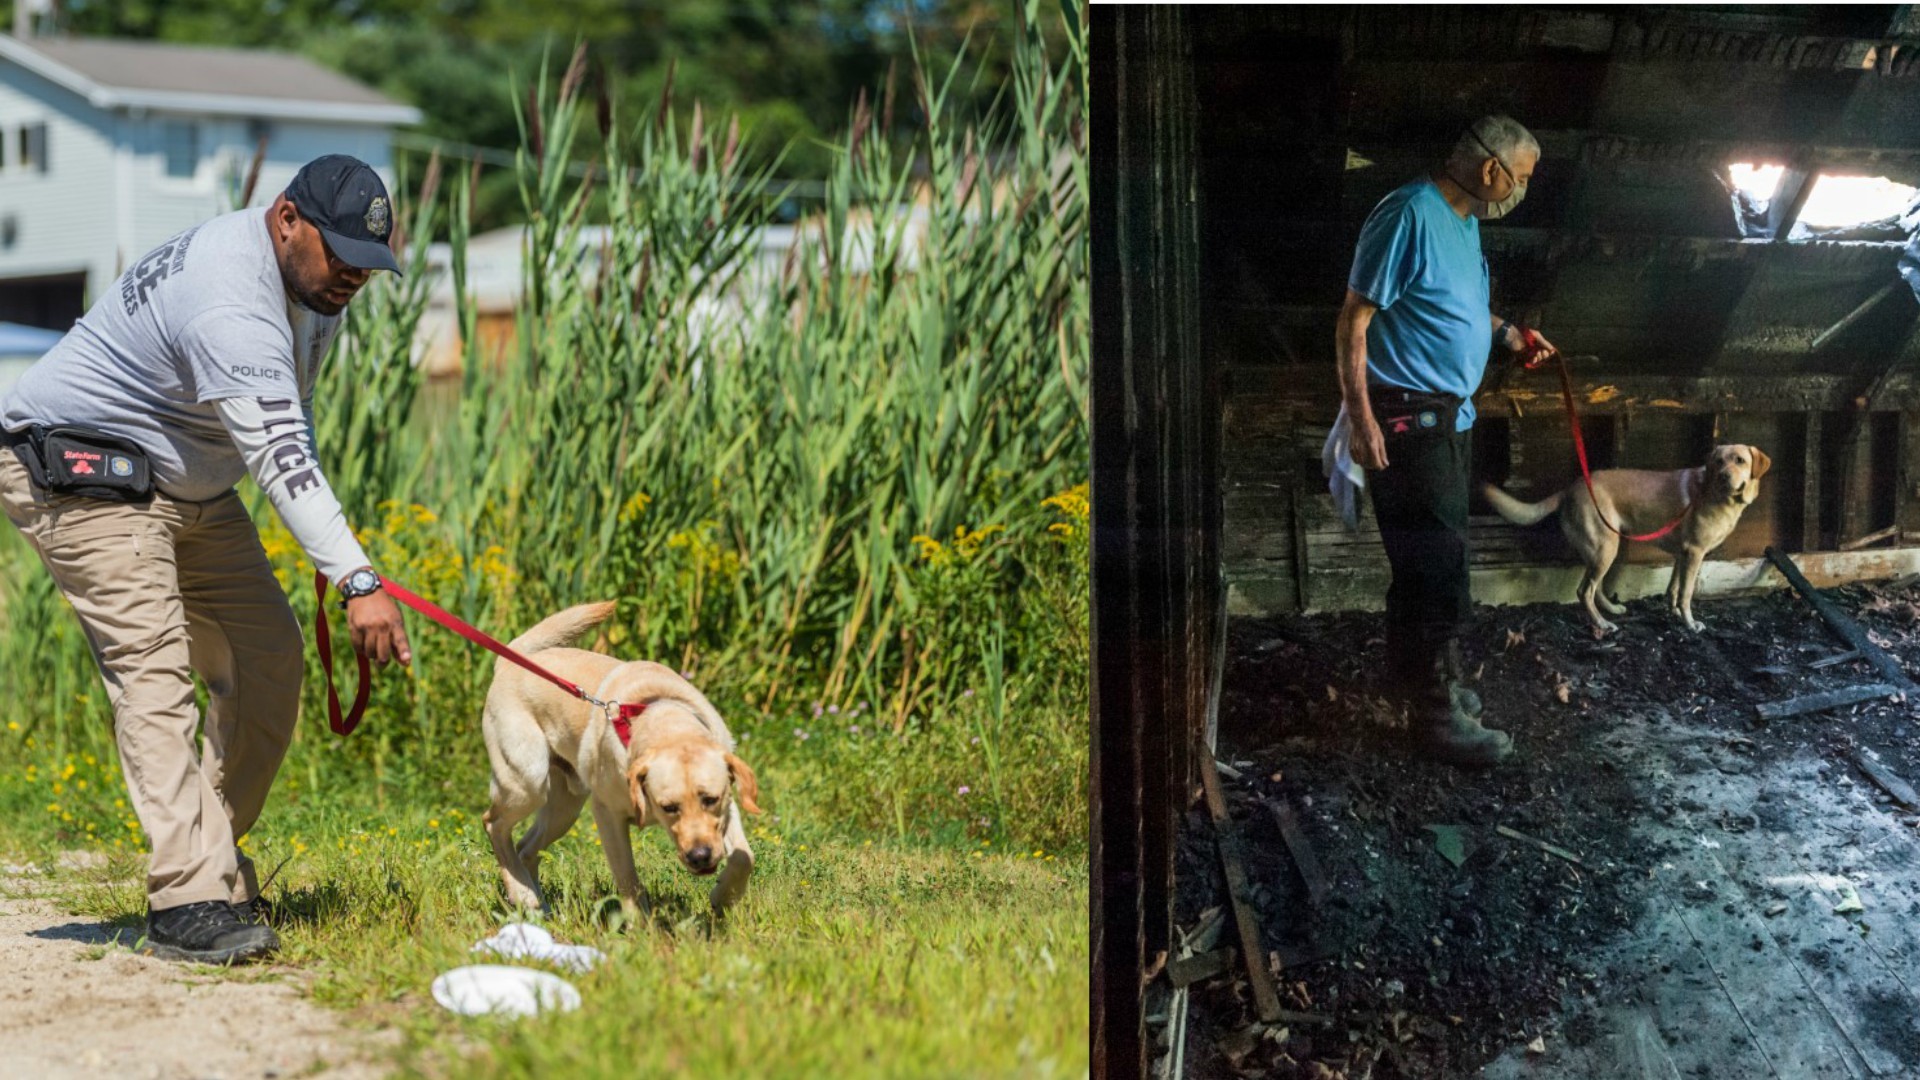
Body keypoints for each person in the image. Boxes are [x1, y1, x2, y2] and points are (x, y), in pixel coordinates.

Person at [0, 154, 412, 963]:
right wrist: (358, 579)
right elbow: (283, 454)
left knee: (270, 660)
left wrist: (341, 559)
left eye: (368, 266)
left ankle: (212, 856)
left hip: (190, 486)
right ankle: (188, 897)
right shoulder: (230, 294)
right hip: (81, 468)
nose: (353, 280)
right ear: (286, 218)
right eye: (340, 257)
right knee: (151, 669)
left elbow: (291, 424)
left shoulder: (313, 287)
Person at [1335, 116, 1558, 767]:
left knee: (1433, 564)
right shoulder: (1407, 213)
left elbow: (1452, 304)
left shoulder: (1464, 226)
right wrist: (1360, 415)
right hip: (1407, 421)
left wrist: (1509, 333)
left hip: (1448, 420)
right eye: (1520, 179)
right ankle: (1434, 719)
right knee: (1433, 570)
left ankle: (1423, 681)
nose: (1519, 191)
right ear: (1492, 170)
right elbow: (1355, 316)